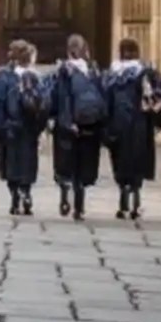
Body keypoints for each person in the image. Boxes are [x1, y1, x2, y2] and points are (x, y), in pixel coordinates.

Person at [0, 41, 48, 216]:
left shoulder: (2, 77)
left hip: (8, 129)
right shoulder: (35, 78)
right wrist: (40, 128)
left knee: (10, 165)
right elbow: (44, 106)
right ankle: (26, 192)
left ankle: (15, 196)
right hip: (28, 130)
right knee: (28, 164)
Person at [103, 38, 161, 220]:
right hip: (139, 123)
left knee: (120, 160)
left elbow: (105, 101)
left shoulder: (112, 76)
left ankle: (123, 195)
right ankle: (136, 199)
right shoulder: (146, 73)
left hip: (117, 123)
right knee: (138, 161)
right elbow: (160, 97)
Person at [45, 34, 106, 221]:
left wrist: (51, 118)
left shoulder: (60, 72)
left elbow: (53, 98)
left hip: (66, 124)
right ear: (85, 50)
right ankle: (80, 205)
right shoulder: (93, 72)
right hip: (88, 125)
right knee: (83, 165)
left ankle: (65, 191)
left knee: (66, 163)